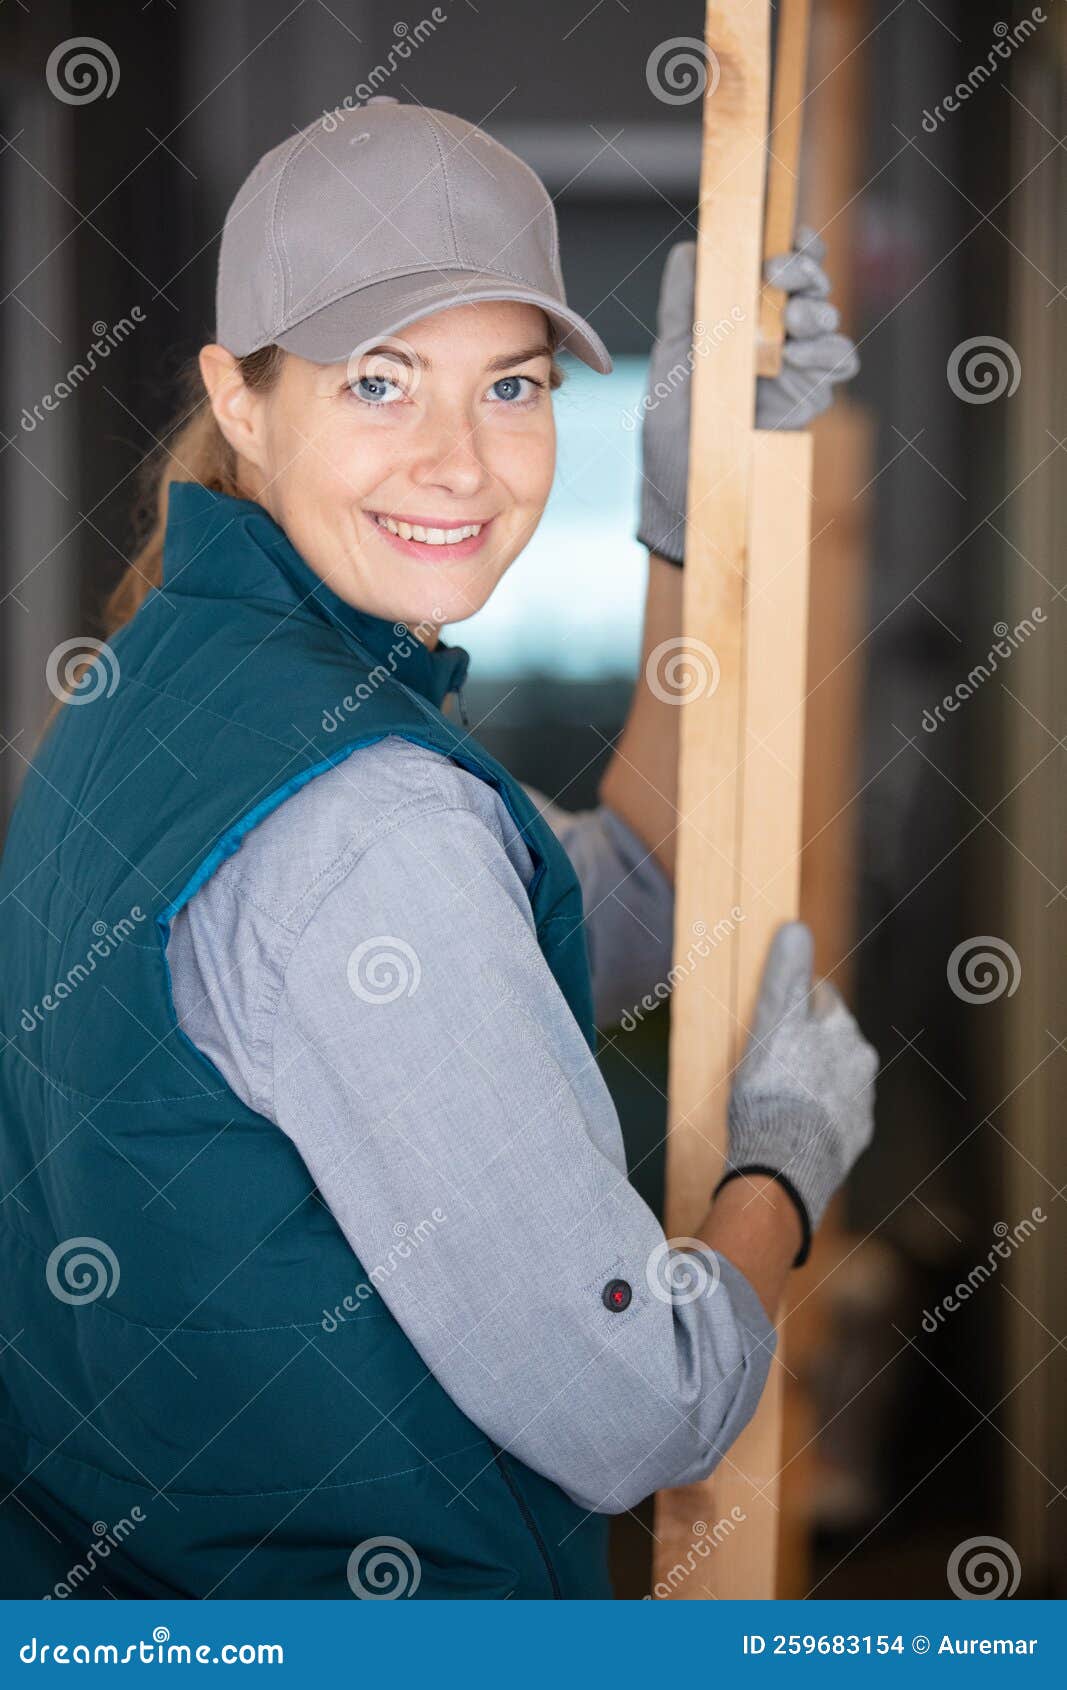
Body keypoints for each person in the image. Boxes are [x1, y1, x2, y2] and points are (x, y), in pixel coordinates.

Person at [0, 97, 875, 1600]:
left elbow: (630, 891)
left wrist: (685, 520)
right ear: (247, 397)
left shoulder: (161, 693)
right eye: (382, 382)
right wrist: (782, 1172)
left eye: (513, 385)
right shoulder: (370, 826)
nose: (462, 463)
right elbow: (639, 1402)